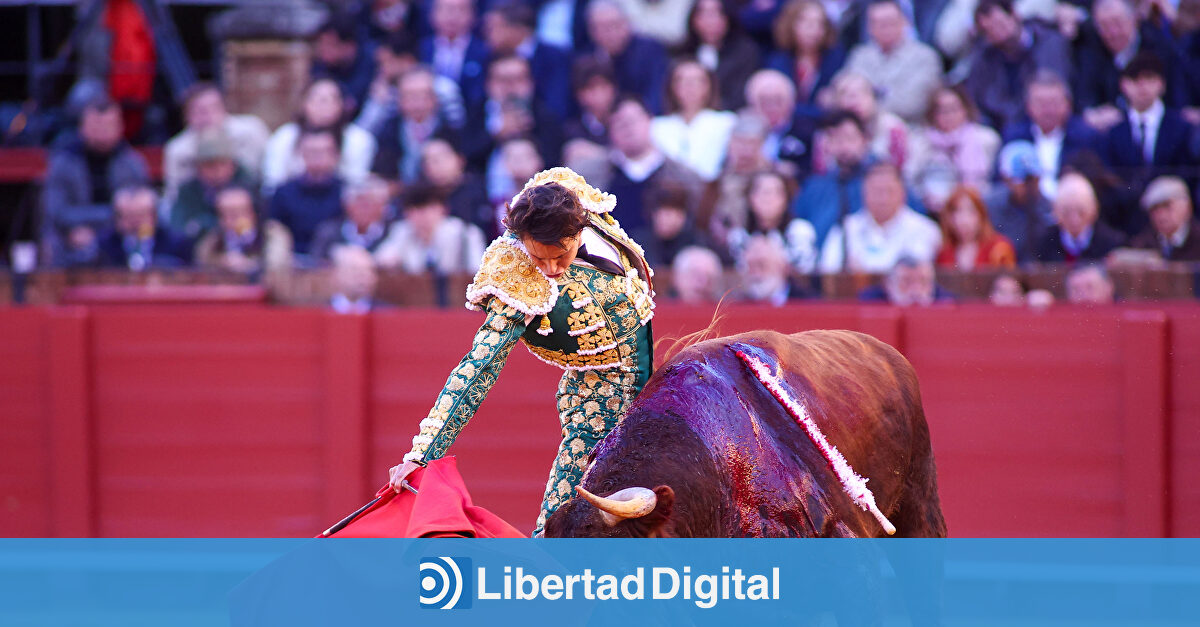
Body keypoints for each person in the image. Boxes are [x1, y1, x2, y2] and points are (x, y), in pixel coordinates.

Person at [385, 168, 657, 536]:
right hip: (598, 400)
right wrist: (422, 453)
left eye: (559, 256)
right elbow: (479, 366)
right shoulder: (516, 277)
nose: (548, 269)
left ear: (578, 230)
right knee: (560, 527)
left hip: (652, 384)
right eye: (537, 256)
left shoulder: (572, 197)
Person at [41, 95, 150, 266]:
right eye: (97, 125)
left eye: (109, 125)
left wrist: (102, 232)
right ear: (82, 127)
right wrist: (110, 216)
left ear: (120, 126)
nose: (103, 131)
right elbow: (56, 212)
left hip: (121, 236)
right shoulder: (62, 163)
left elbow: (141, 209)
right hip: (71, 236)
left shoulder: (133, 163)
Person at [1103, 52, 1197, 230]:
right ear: (1123, 85)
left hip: (1173, 219)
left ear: (1161, 84)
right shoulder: (1114, 133)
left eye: (1149, 78)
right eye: (1135, 80)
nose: (1142, 86)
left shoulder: (1181, 128)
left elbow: (1186, 175)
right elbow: (1112, 181)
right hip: (1127, 223)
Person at [604, 96, 706, 236]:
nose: (627, 128)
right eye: (619, 123)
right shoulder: (594, 175)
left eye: (632, 120)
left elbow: (698, 225)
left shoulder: (684, 176)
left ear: (650, 120)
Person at [964, 0, 1073, 130]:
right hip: (1000, 126)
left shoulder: (1049, 43)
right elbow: (978, 100)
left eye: (1000, 25)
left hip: (1045, 122)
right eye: (989, 30)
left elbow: (1055, 89)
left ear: (1014, 15)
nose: (997, 33)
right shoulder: (984, 57)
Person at [818, 162, 942, 273]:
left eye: (889, 191)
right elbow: (828, 268)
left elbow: (915, 273)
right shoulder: (846, 228)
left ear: (902, 193)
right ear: (864, 193)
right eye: (877, 191)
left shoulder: (924, 229)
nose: (883, 198)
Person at [261, 78, 378, 193]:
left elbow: (356, 185)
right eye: (315, 99)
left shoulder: (359, 140)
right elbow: (273, 183)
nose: (321, 106)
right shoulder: (285, 136)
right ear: (303, 104)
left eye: (328, 100)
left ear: (342, 105)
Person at [1001, 71, 1101, 200]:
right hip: (1027, 210)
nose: (1048, 110)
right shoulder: (1014, 137)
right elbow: (1002, 179)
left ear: (1068, 105)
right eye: (1041, 103)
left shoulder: (1087, 137)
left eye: (1054, 102)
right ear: (1028, 106)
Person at [163, 83, 269, 203]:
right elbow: (174, 195)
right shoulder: (177, 149)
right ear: (187, 116)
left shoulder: (251, 130)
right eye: (201, 111)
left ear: (224, 108)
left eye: (214, 108)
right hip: (201, 205)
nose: (209, 117)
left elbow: (268, 176)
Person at [842, 0, 944, 123]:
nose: (885, 28)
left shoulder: (925, 57)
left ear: (904, 22)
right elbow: (842, 92)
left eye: (890, 22)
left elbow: (913, 104)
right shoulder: (859, 55)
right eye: (878, 23)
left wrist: (867, 104)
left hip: (910, 129)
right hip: (861, 130)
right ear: (869, 27)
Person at [905, 87, 1001, 209]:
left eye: (954, 109)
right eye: (943, 111)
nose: (949, 115)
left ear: (965, 110)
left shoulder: (987, 139)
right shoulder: (921, 143)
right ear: (932, 114)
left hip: (977, 206)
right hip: (932, 207)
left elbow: (992, 182)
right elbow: (910, 180)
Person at [370, 66, 460, 185]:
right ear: (399, 100)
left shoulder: (450, 129)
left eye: (423, 95)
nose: (417, 103)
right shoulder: (388, 130)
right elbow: (383, 173)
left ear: (435, 98)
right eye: (410, 96)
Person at [650, 59, 738, 182]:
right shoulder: (656, 126)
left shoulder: (727, 122)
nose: (690, 86)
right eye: (682, 81)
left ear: (709, 85)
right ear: (672, 86)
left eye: (697, 81)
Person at [483, 0, 573, 118]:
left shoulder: (554, 57)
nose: (487, 33)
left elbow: (557, 103)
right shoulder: (489, 56)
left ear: (517, 29)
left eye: (494, 28)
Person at [375, 183, 486, 275]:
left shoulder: (465, 233)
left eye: (429, 209)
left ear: (443, 209)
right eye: (416, 210)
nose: (423, 216)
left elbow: (477, 270)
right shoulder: (402, 231)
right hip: (415, 296)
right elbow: (383, 259)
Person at [582, 0, 670, 113]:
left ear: (627, 23)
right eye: (604, 27)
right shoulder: (586, 58)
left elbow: (656, 94)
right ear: (592, 31)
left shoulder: (650, 50)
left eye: (616, 24)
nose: (612, 32)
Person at [268, 129, 346, 256]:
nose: (317, 157)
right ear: (301, 154)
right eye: (311, 152)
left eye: (322, 151)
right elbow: (275, 228)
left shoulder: (346, 192)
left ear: (336, 155)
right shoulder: (284, 192)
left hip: (334, 258)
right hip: (292, 260)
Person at [170, 129, 257, 241]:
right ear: (198, 167)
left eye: (223, 163)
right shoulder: (188, 191)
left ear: (233, 164)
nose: (218, 171)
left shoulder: (248, 184)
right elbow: (178, 227)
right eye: (210, 165)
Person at [765, 0, 847, 118]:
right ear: (791, 25)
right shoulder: (778, 60)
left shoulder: (835, 58)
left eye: (820, 24)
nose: (814, 30)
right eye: (807, 23)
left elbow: (836, 107)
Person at [727, 171, 819, 274]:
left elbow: (804, 271)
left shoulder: (799, 231)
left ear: (786, 199)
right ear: (750, 198)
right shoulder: (739, 237)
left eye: (776, 192)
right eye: (762, 192)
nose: (768, 199)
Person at [194, 185, 294, 275]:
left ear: (253, 212)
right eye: (225, 214)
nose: (233, 219)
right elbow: (201, 262)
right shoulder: (214, 239)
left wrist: (249, 265)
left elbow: (277, 264)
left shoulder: (272, 233)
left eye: (239, 212)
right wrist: (222, 262)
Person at [682, 0, 762, 110]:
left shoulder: (745, 52)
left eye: (715, 13)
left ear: (727, 17)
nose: (709, 20)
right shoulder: (684, 53)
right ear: (693, 19)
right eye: (703, 13)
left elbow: (740, 95)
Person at [1032, 172, 1126, 262]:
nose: (1074, 220)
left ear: (1094, 209)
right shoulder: (1043, 244)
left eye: (1081, 212)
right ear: (1056, 211)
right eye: (1066, 213)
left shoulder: (1112, 243)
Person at [986, 141, 1055, 262]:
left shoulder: (1049, 209)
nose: (1029, 186)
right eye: (1023, 181)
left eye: (1033, 179)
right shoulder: (991, 207)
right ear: (1007, 179)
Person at [97, 185, 191, 270]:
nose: (135, 222)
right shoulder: (103, 245)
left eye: (141, 215)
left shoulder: (176, 243)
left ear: (154, 216)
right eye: (128, 216)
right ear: (116, 218)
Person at [744, 69, 816, 178]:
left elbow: (811, 171)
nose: (771, 107)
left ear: (790, 103)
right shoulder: (741, 132)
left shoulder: (806, 133)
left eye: (777, 101)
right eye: (764, 101)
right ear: (752, 104)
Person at [419, 0, 490, 106]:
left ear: (473, 15)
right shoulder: (421, 48)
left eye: (461, 10)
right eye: (447, 9)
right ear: (432, 14)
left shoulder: (484, 51)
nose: (453, 16)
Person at [310, 176, 397, 261]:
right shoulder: (328, 232)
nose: (364, 209)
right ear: (346, 205)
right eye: (359, 203)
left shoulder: (394, 233)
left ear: (383, 206)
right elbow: (315, 264)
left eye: (370, 203)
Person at [420, 138, 492, 236]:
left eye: (441, 158)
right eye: (428, 160)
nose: (435, 165)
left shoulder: (482, 191)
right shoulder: (419, 196)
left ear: (460, 160)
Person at [935, 185, 1017, 270]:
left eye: (970, 211)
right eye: (956, 212)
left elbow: (1008, 279)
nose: (963, 220)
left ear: (981, 215)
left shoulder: (998, 247)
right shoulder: (944, 252)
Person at [310, 12, 377, 115]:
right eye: (321, 44)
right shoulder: (320, 65)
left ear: (349, 46)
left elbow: (350, 104)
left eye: (329, 45)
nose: (323, 50)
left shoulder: (372, 63)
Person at [1126, 175, 1200, 260]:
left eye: (1167, 206)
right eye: (1154, 209)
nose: (1161, 214)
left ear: (1187, 206)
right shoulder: (1141, 244)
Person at [736, 234, 812, 304]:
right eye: (751, 266)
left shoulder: (808, 303)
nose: (756, 274)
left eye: (762, 265)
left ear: (782, 266)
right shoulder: (738, 305)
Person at [563, 57, 617, 146]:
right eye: (592, 88)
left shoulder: (624, 121)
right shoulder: (573, 133)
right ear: (579, 95)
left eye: (603, 86)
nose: (599, 94)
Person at [859, 256, 954, 305]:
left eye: (923, 281)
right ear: (889, 285)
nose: (915, 290)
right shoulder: (870, 302)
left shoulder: (947, 302)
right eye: (907, 281)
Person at [329, 245, 380, 314]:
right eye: (355, 270)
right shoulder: (319, 312)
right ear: (337, 274)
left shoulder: (386, 313)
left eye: (368, 271)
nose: (362, 278)